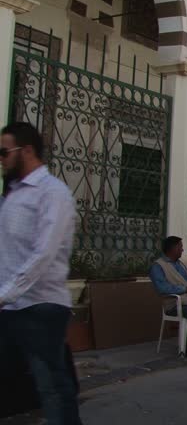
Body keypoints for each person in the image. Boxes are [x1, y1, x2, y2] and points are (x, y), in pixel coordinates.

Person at [0, 122, 83, 424]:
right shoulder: (13, 195)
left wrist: (6, 294)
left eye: (4, 152)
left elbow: (43, 253)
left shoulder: (53, 193)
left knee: (51, 387)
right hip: (10, 305)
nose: (1, 159)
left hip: (41, 307)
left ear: (27, 151)